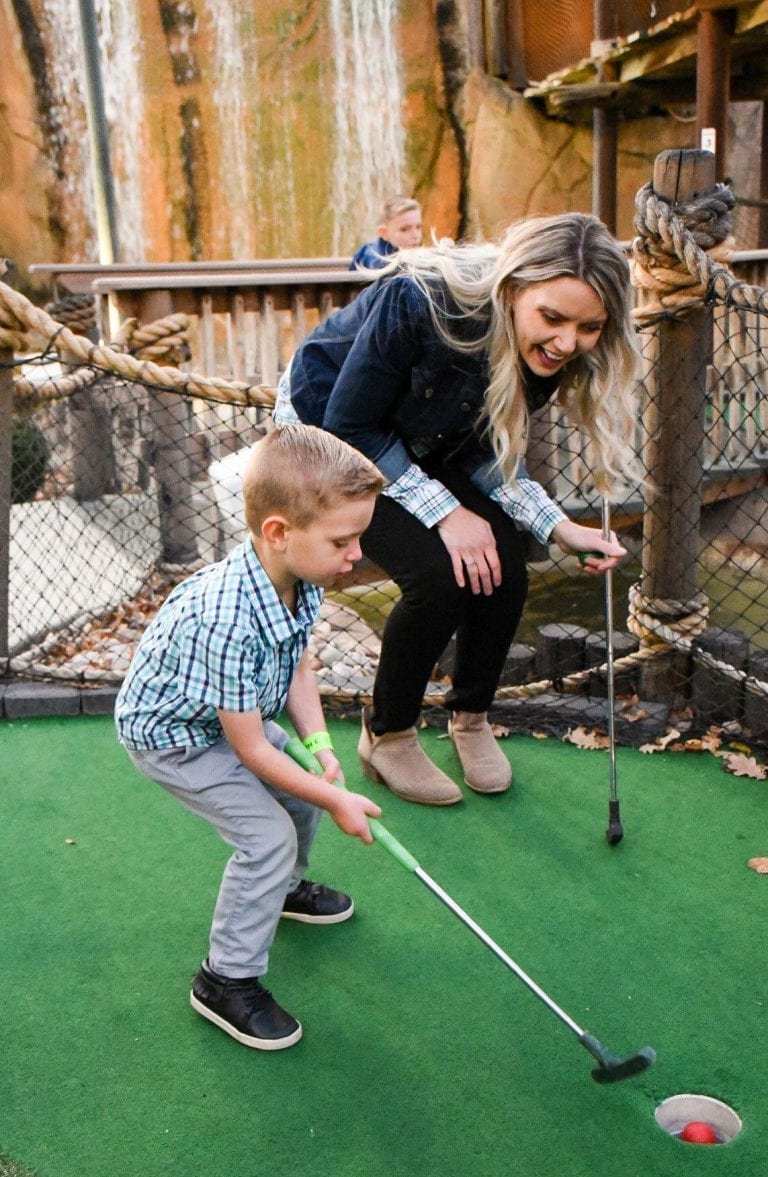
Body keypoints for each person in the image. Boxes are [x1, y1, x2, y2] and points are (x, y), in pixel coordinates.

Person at [273, 213, 642, 807]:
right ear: (513, 289)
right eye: (553, 317)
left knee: (506, 564)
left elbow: (482, 443)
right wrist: (447, 514)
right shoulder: (418, 300)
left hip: (420, 438)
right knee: (439, 577)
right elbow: (351, 427)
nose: (567, 342)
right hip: (329, 437)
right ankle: (387, 733)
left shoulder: (545, 351)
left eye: (589, 326)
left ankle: (469, 716)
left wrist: (557, 525)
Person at [115, 424, 384, 1051]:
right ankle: (225, 981)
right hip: (173, 737)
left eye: (359, 538)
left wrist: (319, 751)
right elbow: (250, 750)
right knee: (266, 835)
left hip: (231, 717)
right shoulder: (227, 617)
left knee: (300, 798)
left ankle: (284, 889)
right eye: (343, 540)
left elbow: (296, 666)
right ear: (278, 533)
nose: (356, 554)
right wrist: (336, 799)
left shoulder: (303, 578)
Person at [349, 194, 423, 270]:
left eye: (418, 227)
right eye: (404, 229)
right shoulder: (376, 260)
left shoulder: (415, 256)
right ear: (383, 233)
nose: (415, 235)